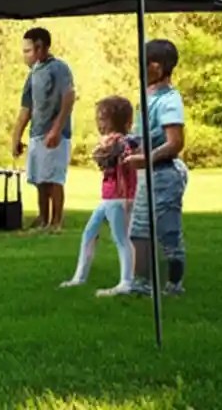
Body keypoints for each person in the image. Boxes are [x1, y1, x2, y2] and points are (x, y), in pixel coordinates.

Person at [123, 39, 189, 297]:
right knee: (139, 228)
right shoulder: (147, 95)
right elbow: (143, 134)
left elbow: (175, 143)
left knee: (167, 230)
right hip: (146, 174)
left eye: (145, 62)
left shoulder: (169, 100)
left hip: (164, 175)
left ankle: (174, 285)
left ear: (158, 67)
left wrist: (146, 158)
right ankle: (141, 283)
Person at [60, 96, 138, 296]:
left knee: (121, 238)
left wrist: (107, 149)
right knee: (89, 233)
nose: (99, 123)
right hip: (108, 197)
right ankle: (79, 277)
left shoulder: (122, 142)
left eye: (103, 119)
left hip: (119, 198)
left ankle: (126, 282)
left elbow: (114, 155)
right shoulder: (117, 141)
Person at [11, 27, 76, 232]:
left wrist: (56, 129)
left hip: (55, 134)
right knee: (40, 178)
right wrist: (16, 136)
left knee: (54, 178)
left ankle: (56, 221)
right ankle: (43, 218)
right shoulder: (32, 75)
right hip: (37, 133)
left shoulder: (59, 68)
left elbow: (69, 96)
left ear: (40, 47)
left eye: (28, 51)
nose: (25, 56)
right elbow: (26, 108)